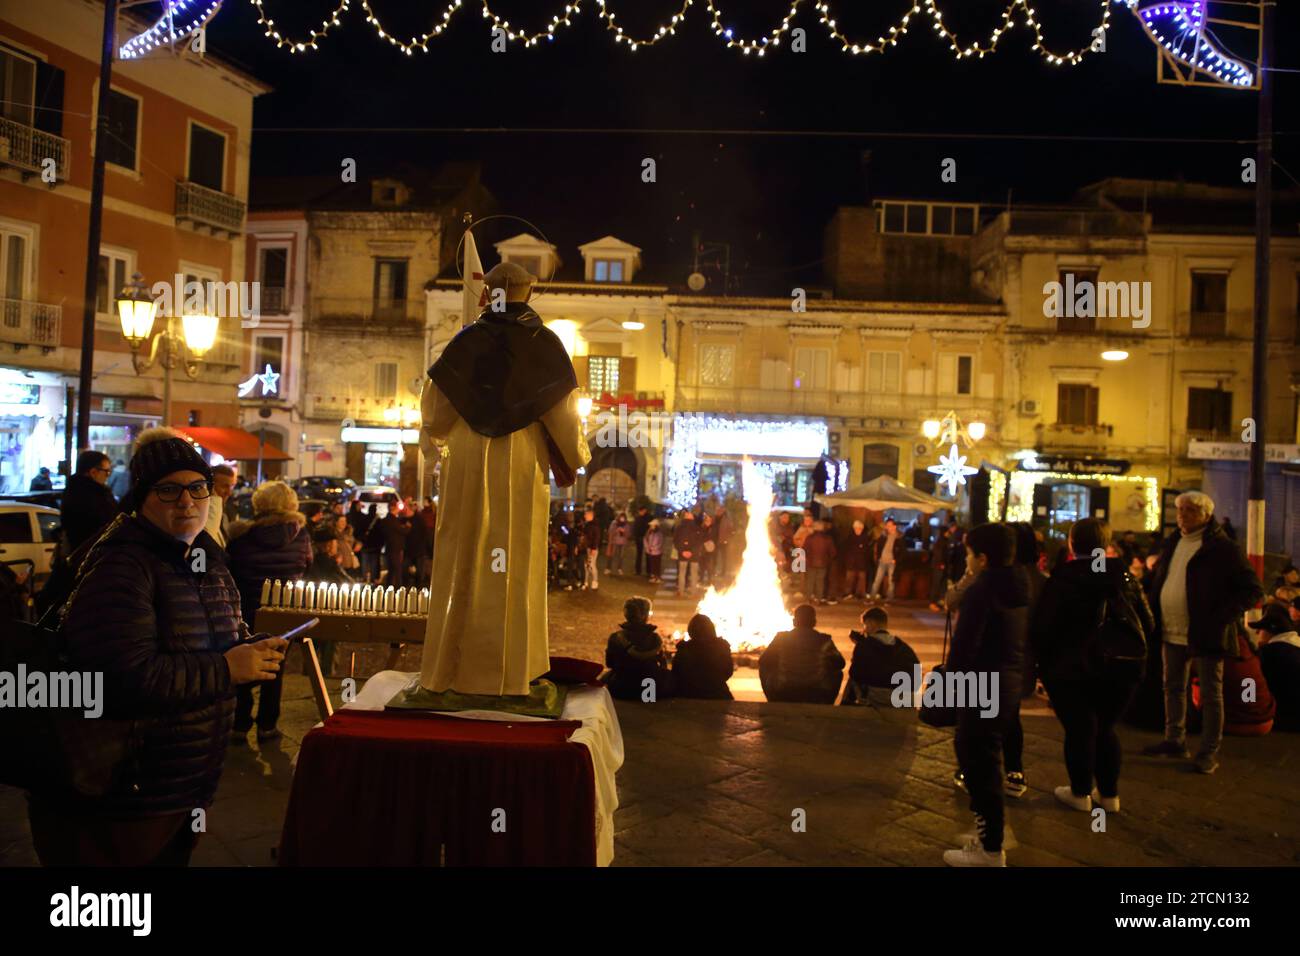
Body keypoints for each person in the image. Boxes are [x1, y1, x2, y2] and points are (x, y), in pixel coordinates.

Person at [28, 427, 285, 866]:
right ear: (142, 499)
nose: (187, 501)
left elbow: (211, 637)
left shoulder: (206, 558)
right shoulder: (123, 566)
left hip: (181, 786)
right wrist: (226, 669)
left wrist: (250, 649)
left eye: (197, 487)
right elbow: (122, 678)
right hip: (119, 795)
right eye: (168, 491)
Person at [417, 261, 590, 699]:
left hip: (465, 457)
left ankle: (449, 672)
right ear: (530, 293)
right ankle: (510, 674)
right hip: (520, 458)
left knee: (460, 555)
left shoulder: (464, 342)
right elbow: (565, 417)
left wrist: (438, 439)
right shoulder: (544, 345)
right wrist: (577, 455)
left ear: (486, 292)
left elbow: (435, 411)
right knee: (513, 561)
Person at [1031, 519, 1154, 816]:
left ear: (1072, 543)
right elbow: (1147, 623)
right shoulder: (1123, 578)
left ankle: (1079, 792)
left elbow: (1044, 629)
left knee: (1079, 729)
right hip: (1123, 667)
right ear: (1106, 544)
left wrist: (1041, 667)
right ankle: (1109, 795)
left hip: (1073, 669)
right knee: (1106, 728)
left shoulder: (1063, 580)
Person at [1141, 491, 1262, 775]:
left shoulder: (1223, 548)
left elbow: (1252, 590)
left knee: (1211, 694)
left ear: (1206, 515)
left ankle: (1208, 751)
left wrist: (1221, 617)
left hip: (1206, 633)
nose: (1181, 516)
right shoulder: (1174, 542)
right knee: (1172, 687)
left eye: (1189, 511)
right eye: (1180, 510)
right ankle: (1175, 740)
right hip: (1171, 628)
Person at [943, 523, 1028, 868]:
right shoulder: (1019, 583)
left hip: (981, 683)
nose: (966, 559)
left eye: (968, 554)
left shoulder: (982, 591)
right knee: (985, 759)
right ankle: (990, 835)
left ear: (982, 557)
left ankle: (991, 848)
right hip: (1006, 681)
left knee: (978, 762)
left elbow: (964, 646)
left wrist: (950, 687)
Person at [225, 480, 312, 742]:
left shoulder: (241, 536)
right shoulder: (301, 536)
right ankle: (267, 725)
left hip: (247, 608)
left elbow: (231, 571)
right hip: (282, 610)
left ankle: (239, 726)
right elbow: (307, 565)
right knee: (275, 665)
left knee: (243, 660)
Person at [759, 603, 845, 704]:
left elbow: (763, 660)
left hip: (784, 690)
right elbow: (840, 663)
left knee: (764, 667)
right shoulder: (824, 640)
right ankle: (827, 703)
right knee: (838, 672)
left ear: (794, 621)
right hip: (816, 691)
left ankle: (773, 700)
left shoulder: (781, 638)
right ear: (814, 621)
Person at [843, 606, 919, 706]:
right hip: (907, 698)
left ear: (871, 623)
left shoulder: (865, 645)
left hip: (880, 697)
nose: (864, 630)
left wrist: (859, 649)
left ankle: (844, 708)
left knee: (852, 679)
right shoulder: (903, 646)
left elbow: (855, 673)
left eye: (864, 625)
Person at [605, 596, 672, 701]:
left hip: (621, 689)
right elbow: (662, 665)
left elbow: (609, 663)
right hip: (649, 691)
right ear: (645, 616)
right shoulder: (655, 639)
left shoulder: (615, 638)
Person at [1254, 604, 1300, 732]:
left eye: (1260, 629)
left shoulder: (1267, 653)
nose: (1257, 633)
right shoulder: (1295, 647)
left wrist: (1248, 702)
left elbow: (1251, 681)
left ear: (1270, 630)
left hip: (1285, 719)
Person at [60, 449, 118, 551]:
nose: (108, 476)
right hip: (95, 555)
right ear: (93, 472)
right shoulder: (95, 497)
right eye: (107, 472)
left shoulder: (72, 490)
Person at [672, 613, 735, 699]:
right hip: (718, 694)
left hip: (688, 695)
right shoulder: (721, 647)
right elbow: (728, 671)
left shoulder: (684, 649)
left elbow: (676, 673)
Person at [803, 520, 837, 605]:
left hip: (810, 563)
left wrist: (807, 558)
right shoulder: (828, 539)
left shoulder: (809, 538)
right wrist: (828, 559)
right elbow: (833, 552)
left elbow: (804, 550)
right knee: (820, 582)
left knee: (810, 581)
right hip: (823, 564)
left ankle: (808, 598)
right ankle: (819, 599)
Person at [203, 463, 236, 548]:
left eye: (231, 486)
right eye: (224, 486)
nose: (229, 493)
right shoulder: (201, 515)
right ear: (210, 487)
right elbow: (207, 540)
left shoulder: (227, 511)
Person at [674, 509, 704, 596]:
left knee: (682, 573)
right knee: (694, 573)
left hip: (682, 554)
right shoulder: (697, 527)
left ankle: (681, 591)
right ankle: (693, 592)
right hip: (694, 555)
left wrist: (682, 551)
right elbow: (699, 542)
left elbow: (676, 541)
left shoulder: (679, 527)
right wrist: (692, 552)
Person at [869, 517, 900, 603]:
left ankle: (889, 599)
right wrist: (879, 557)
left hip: (891, 562)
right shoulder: (883, 536)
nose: (888, 527)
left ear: (894, 526)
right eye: (887, 526)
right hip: (882, 561)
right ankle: (872, 598)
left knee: (891, 581)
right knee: (877, 580)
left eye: (890, 525)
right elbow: (879, 546)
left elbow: (902, 551)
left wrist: (896, 559)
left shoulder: (899, 537)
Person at [841, 519, 871, 601]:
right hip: (851, 562)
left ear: (861, 528)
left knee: (861, 579)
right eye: (855, 528)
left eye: (858, 528)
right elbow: (845, 549)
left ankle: (860, 593)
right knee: (849, 578)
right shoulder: (849, 537)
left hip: (862, 562)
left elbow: (867, 551)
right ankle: (848, 593)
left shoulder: (865, 538)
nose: (857, 529)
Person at [928, 524, 953, 611]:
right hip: (939, 566)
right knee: (937, 584)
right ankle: (933, 603)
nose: (948, 533)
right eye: (947, 532)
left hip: (943, 566)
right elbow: (939, 554)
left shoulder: (944, 541)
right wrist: (941, 563)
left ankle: (939, 603)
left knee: (942, 585)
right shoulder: (941, 541)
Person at [580, 508, 601, 590]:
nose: (584, 516)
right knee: (586, 566)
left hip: (591, 548)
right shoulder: (587, 524)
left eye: (586, 514)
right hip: (586, 548)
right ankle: (585, 582)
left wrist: (594, 548)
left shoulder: (594, 525)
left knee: (591, 565)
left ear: (590, 515)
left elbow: (596, 538)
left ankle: (595, 581)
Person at [632, 504, 652, 577]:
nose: (640, 513)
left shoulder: (649, 517)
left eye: (641, 511)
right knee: (639, 554)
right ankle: (638, 570)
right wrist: (635, 536)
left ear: (644, 510)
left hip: (647, 538)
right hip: (639, 538)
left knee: (648, 554)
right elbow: (635, 528)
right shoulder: (638, 518)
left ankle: (648, 571)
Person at [644, 518, 664, 584]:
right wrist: (648, 547)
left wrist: (654, 548)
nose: (651, 526)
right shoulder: (649, 532)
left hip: (657, 552)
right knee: (652, 565)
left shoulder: (659, 533)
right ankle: (653, 577)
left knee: (657, 565)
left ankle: (657, 577)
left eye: (652, 525)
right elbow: (645, 540)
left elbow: (660, 543)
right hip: (650, 552)